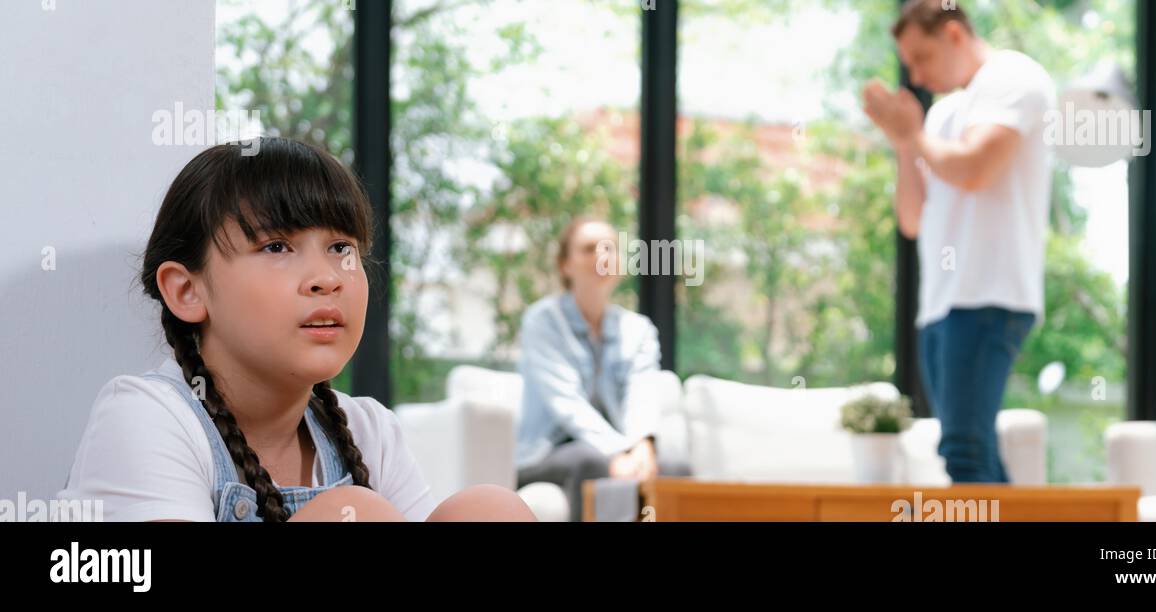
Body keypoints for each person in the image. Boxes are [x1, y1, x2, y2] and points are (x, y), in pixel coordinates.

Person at [57, 137, 536, 522]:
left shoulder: (367, 431)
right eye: (277, 247)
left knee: (493, 509)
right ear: (187, 291)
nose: (327, 277)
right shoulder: (147, 416)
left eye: (341, 248)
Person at [862, 0, 1055, 482]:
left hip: (989, 294)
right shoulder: (944, 112)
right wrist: (905, 142)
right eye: (909, 65)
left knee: (963, 449)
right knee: (977, 452)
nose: (916, 75)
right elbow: (912, 219)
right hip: (941, 306)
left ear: (953, 34)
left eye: (921, 57)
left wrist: (916, 137)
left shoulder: (1013, 78)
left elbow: (973, 170)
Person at [515, 217, 689, 521]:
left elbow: (642, 393)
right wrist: (616, 453)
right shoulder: (542, 321)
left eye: (610, 248)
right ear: (565, 264)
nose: (601, 256)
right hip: (547, 453)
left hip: (617, 448)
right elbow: (566, 404)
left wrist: (642, 446)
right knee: (590, 462)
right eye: (588, 249)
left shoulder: (637, 329)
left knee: (675, 468)